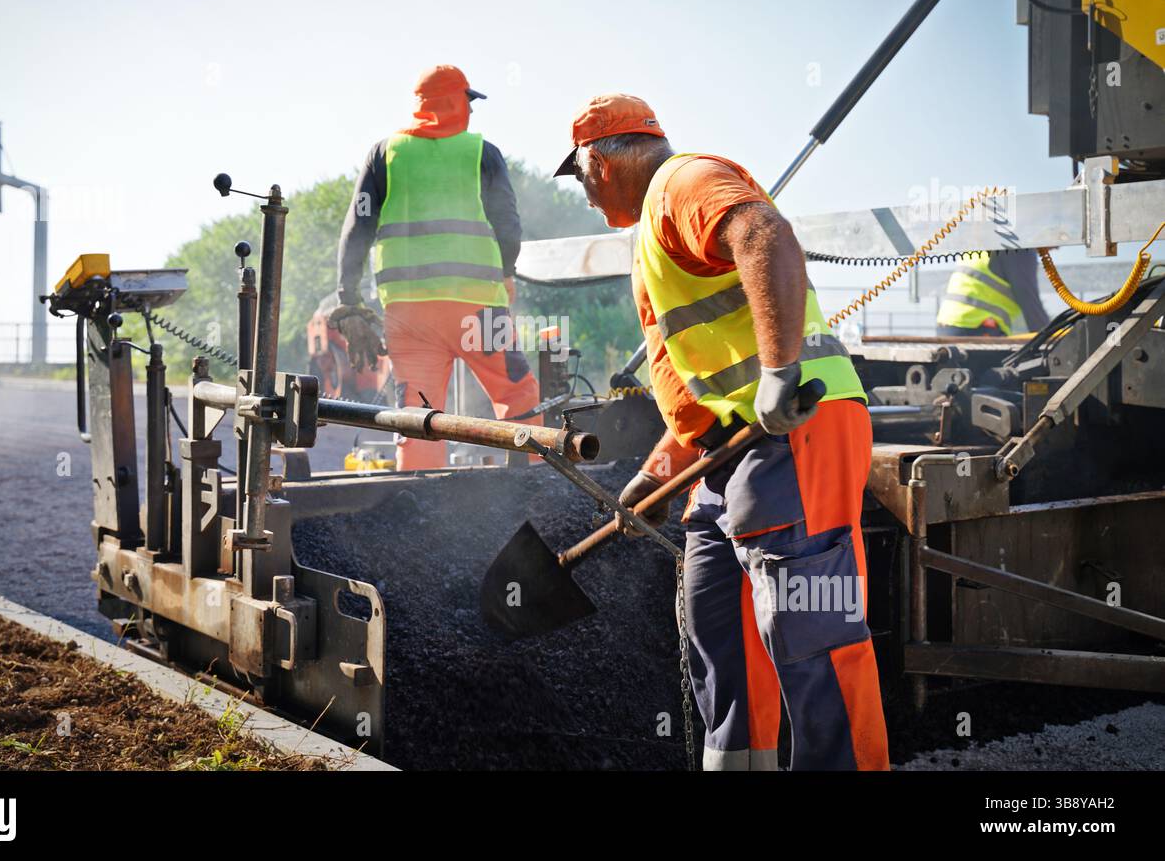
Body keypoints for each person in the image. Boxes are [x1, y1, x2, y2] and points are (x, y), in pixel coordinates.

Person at [555, 93, 889, 771]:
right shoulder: (652, 231)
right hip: (728, 455)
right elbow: (698, 390)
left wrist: (778, 371)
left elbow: (762, 234)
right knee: (720, 628)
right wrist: (655, 472)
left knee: (813, 633)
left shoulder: (682, 181)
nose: (584, 194)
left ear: (601, 160)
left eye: (580, 175)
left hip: (793, 431)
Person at [334, 64, 541, 470]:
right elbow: (509, 226)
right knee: (517, 396)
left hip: (409, 313)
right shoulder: (482, 152)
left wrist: (349, 298)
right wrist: (506, 274)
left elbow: (357, 229)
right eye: (468, 101)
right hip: (479, 305)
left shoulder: (386, 153)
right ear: (456, 103)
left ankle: (419, 503)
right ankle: (531, 483)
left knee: (418, 414)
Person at [936, 249, 1048, 336]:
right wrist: (1052, 337)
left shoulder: (987, 241)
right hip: (977, 326)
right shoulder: (1019, 249)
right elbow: (1029, 301)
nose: (1057, 247)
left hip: (948, 325)